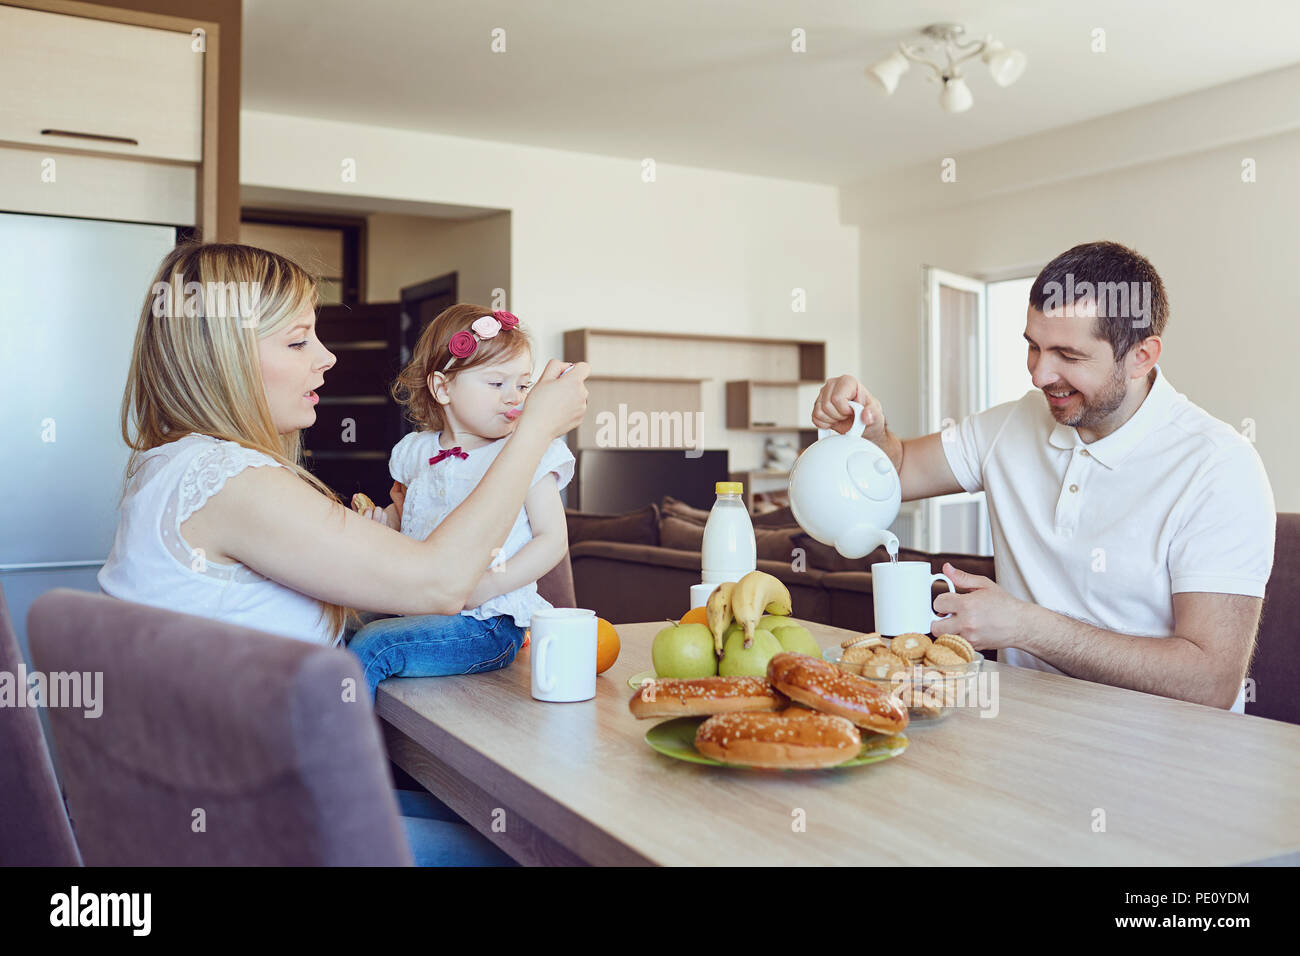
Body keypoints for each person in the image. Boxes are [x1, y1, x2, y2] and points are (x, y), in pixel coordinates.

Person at [98, 242, 588, 863]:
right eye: (299, 341)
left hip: (196, 806)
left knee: (496, 817)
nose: (327, 359)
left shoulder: (170, 463)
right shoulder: (231, 480)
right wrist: (537, 429)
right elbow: (441, 583)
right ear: (225, 355)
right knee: (550, 851)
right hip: (244, 833)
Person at [812, 240, 1273, 711]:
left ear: (1142, 356)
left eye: (1068, 356)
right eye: (1033, 346)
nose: (1039, 375)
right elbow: (901, 471)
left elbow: (1212, 682)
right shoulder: (1012, 424)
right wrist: (871, 429)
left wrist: (1026, 626)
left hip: (1166, 765)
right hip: (1025, 732)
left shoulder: (1218, 467)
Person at [346, 304, 573, 697]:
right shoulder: (414, 452)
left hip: (487, 622)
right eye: (496, 383)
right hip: (419, 603)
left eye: (522, 385)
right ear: (442, 388)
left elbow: (552, 539)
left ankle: (343, 758)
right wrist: (381, 522)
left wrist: (485, 585)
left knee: (373, 644)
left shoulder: (527, 451)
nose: (514, 398)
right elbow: (409, 520)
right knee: (336, 625)